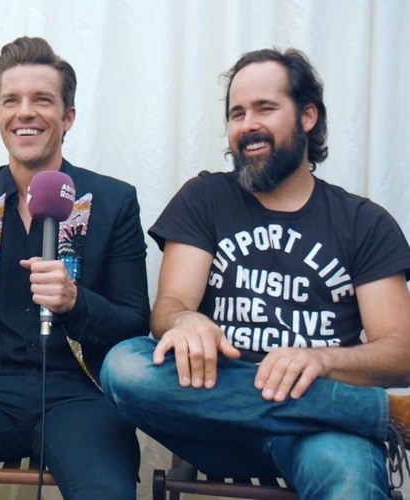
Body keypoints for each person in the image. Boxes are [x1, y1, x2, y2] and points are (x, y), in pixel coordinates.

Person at [101, 47, 410, 499]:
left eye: (265, 108)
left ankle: (351, 411)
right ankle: (381, 414)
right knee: (125, 366)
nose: (247, 125)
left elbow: (401, 352)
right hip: (211, 411)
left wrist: (322, 360)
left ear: (308, 116)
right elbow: (169, 307)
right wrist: (186, 321)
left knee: (350, 482)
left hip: (319, 430)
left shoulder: (363, 222)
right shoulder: (204, 198)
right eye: (237, 113)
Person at [0, 36, 150, 500]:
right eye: (11, 101)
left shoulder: (115, 200)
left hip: (80, 395)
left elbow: (135, 323)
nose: (25, 113)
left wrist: (76, 302)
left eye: (42, 99)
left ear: (68, 116)